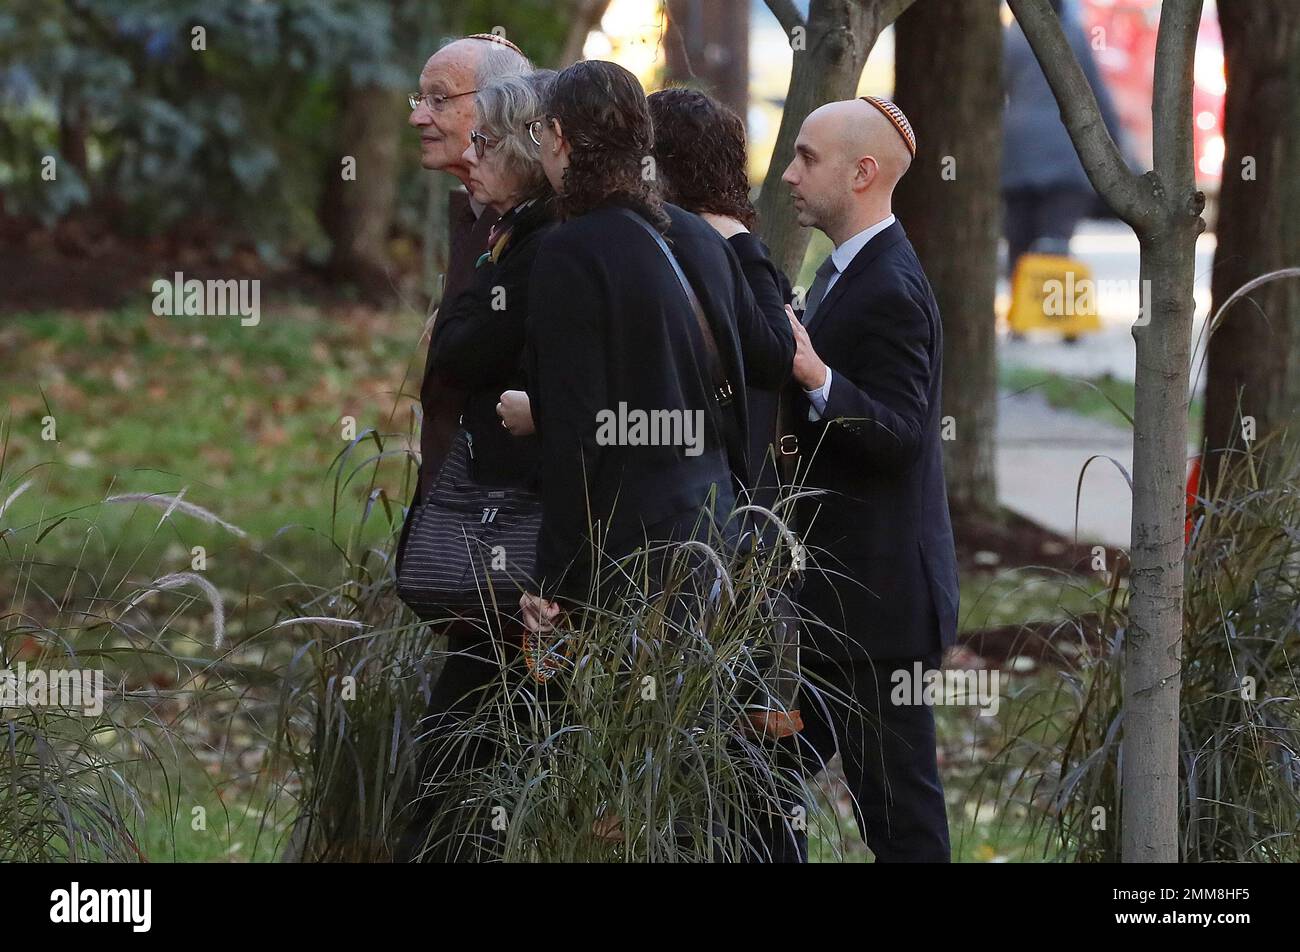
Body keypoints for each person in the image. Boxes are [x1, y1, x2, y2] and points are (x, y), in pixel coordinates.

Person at [518, 60, 764, 632]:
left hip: (629, 551)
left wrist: (552, 579)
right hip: (714, 528)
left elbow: (579, 431)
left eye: (540, 134)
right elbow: (757, 363)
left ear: (558, 137)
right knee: (697, 721)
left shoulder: (570, 252)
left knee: (622, 719)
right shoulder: (699, 235)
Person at [777, 96, 959, 862]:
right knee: (755, 783)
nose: (787, 174)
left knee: (901, 818)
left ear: (862, 173)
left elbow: (900, 436)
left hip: (880, 615)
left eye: (807, 158)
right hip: (844, 608)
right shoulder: (850, 272)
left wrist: (815, 373)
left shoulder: (890, 286)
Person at [397, 55, 555, 864]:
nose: (419, 115)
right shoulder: (480, 217)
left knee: (474, 761)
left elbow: (469, 348)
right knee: (463, 756)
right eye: (417, 97)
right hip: (466, 525)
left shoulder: (542, 232)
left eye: (438, 99)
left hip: (525, 550)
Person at [646, 87, 795, 523]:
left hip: (728, 494)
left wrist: (737, 237)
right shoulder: (692, 242)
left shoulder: (730, 248)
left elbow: (773, 357)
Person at [1001, 0, 1128, 274]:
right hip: (1066, 157)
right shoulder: (1074, 39)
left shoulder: (1011, 38)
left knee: (1019, 242)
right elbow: (1098, 96)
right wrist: (1117, 147)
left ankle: (1021, 304)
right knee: (1054, 242)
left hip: (1017, 157)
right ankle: (1050, 309)